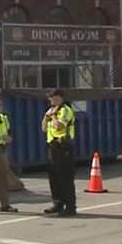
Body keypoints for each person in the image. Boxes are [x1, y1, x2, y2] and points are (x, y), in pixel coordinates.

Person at [42, 88, 77, 216]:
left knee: (65, 177)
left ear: (61, 98)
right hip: (52, 146)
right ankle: (57, 203)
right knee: (54, 177)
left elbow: (59, 126)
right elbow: (44, 128)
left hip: (64, 146)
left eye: (54, 98)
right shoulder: (51, 111)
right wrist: (47, 116)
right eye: (50, 98)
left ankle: (70, 206)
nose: (52, 100)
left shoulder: (65, 110)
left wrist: (53, 116)